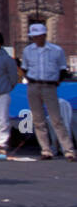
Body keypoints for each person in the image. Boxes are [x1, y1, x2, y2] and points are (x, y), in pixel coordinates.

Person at [19, 23, 74, 160]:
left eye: (38, 36)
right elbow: (24, 68)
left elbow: (62, 69)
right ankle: (46, 150)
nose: (35, 39)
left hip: (49, 86)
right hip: (33, 85)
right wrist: (29, 79)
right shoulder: (28, 51)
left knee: (56, 119)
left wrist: (57, 81)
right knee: (38, 119)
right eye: (33, 37)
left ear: (44, 35)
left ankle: (68, 150)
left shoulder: (56, 50)